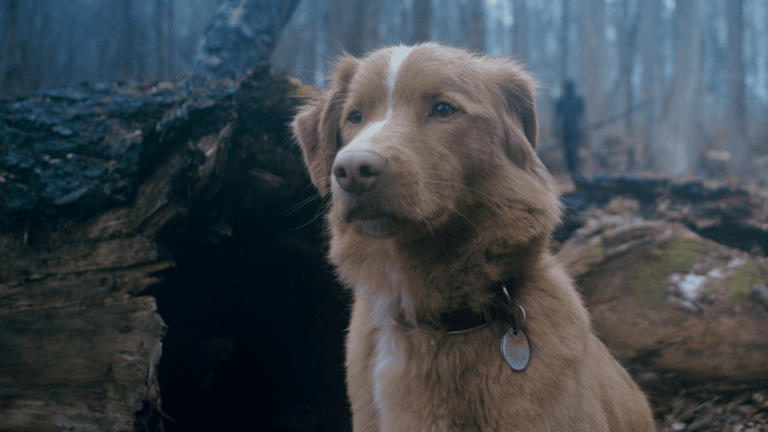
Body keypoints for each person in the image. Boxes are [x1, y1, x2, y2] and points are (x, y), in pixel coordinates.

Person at [555, 80, 585, 180]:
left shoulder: (578, 99)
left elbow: (583, 116)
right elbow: (556, 117)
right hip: (567, 130)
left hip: (574, 129)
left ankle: (575, 173)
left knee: (574, 152)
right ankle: (572, 173)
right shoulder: (561, 100)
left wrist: (583, 130)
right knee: (568, 152)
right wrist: (555, 131)